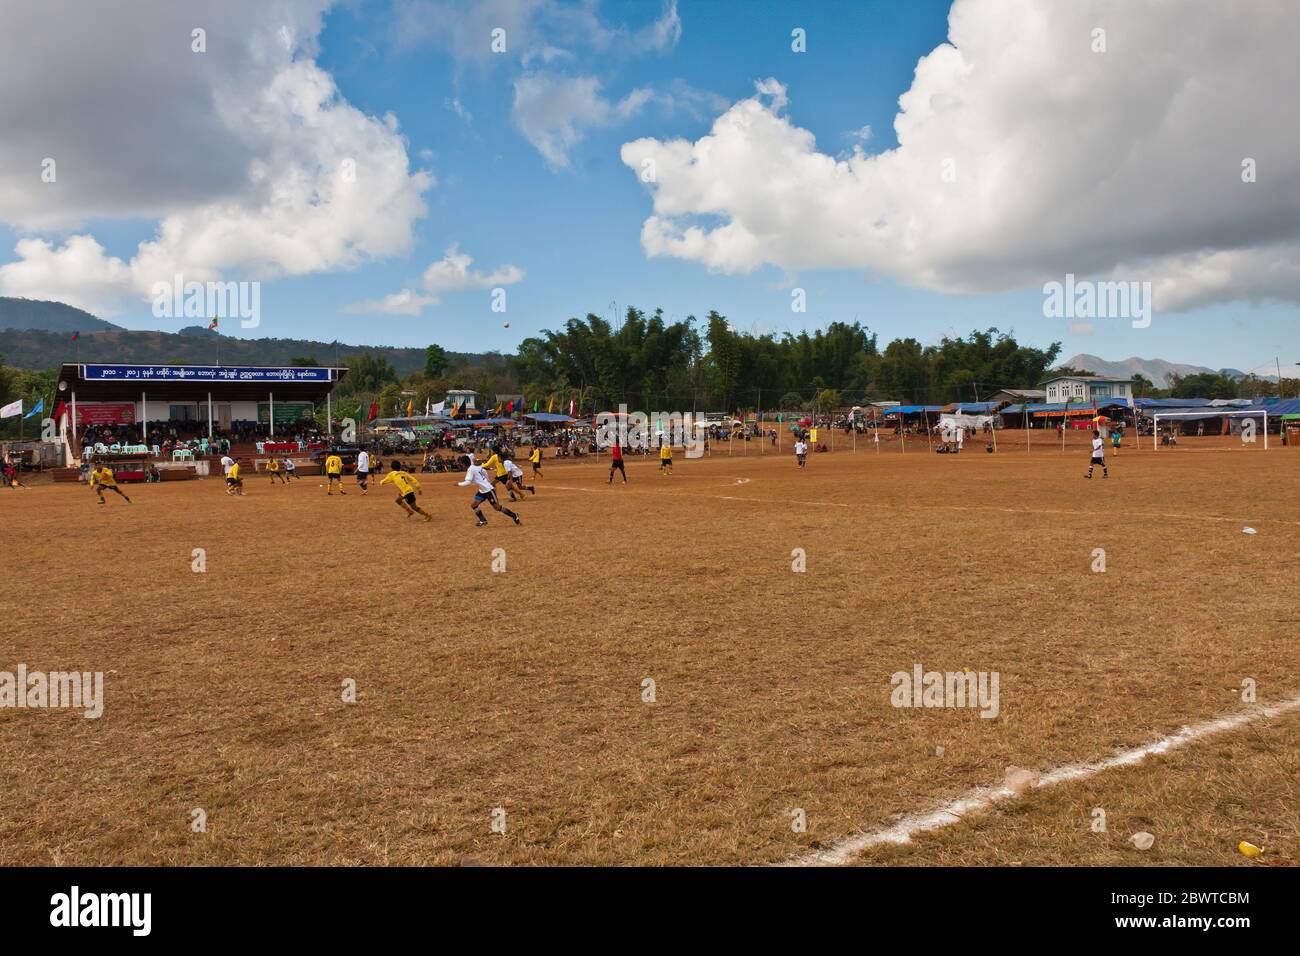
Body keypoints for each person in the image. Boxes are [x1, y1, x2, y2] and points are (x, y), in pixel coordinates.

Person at [458, 460, 521, 527]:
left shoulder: (470, 469)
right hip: (482, 491)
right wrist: (486, 482)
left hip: (489, 491)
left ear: (463, 464)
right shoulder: (475, 467)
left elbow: (468, 482)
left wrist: (458, 484)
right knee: (474, 505)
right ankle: (483, 520)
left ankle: (514, 515)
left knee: (497, 508)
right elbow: (484, 471)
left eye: (461, 463)